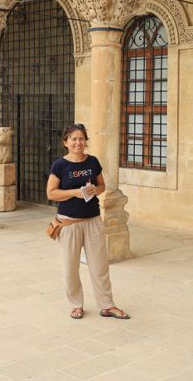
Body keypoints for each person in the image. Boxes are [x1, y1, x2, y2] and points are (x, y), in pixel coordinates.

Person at [46, 123, 131, 320]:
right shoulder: (59, 165)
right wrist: (75, 192)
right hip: (69, 224)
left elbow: (102, 185)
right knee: (70, 268)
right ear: (66, 142)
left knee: (99, 266)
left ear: (85, 141)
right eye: (73, 139)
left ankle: (107, 305)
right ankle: (76, 305)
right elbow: (51, 193)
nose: (78, 142)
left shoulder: (92, 162)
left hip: (93, 220)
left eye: (81, 138)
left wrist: (95, 190)